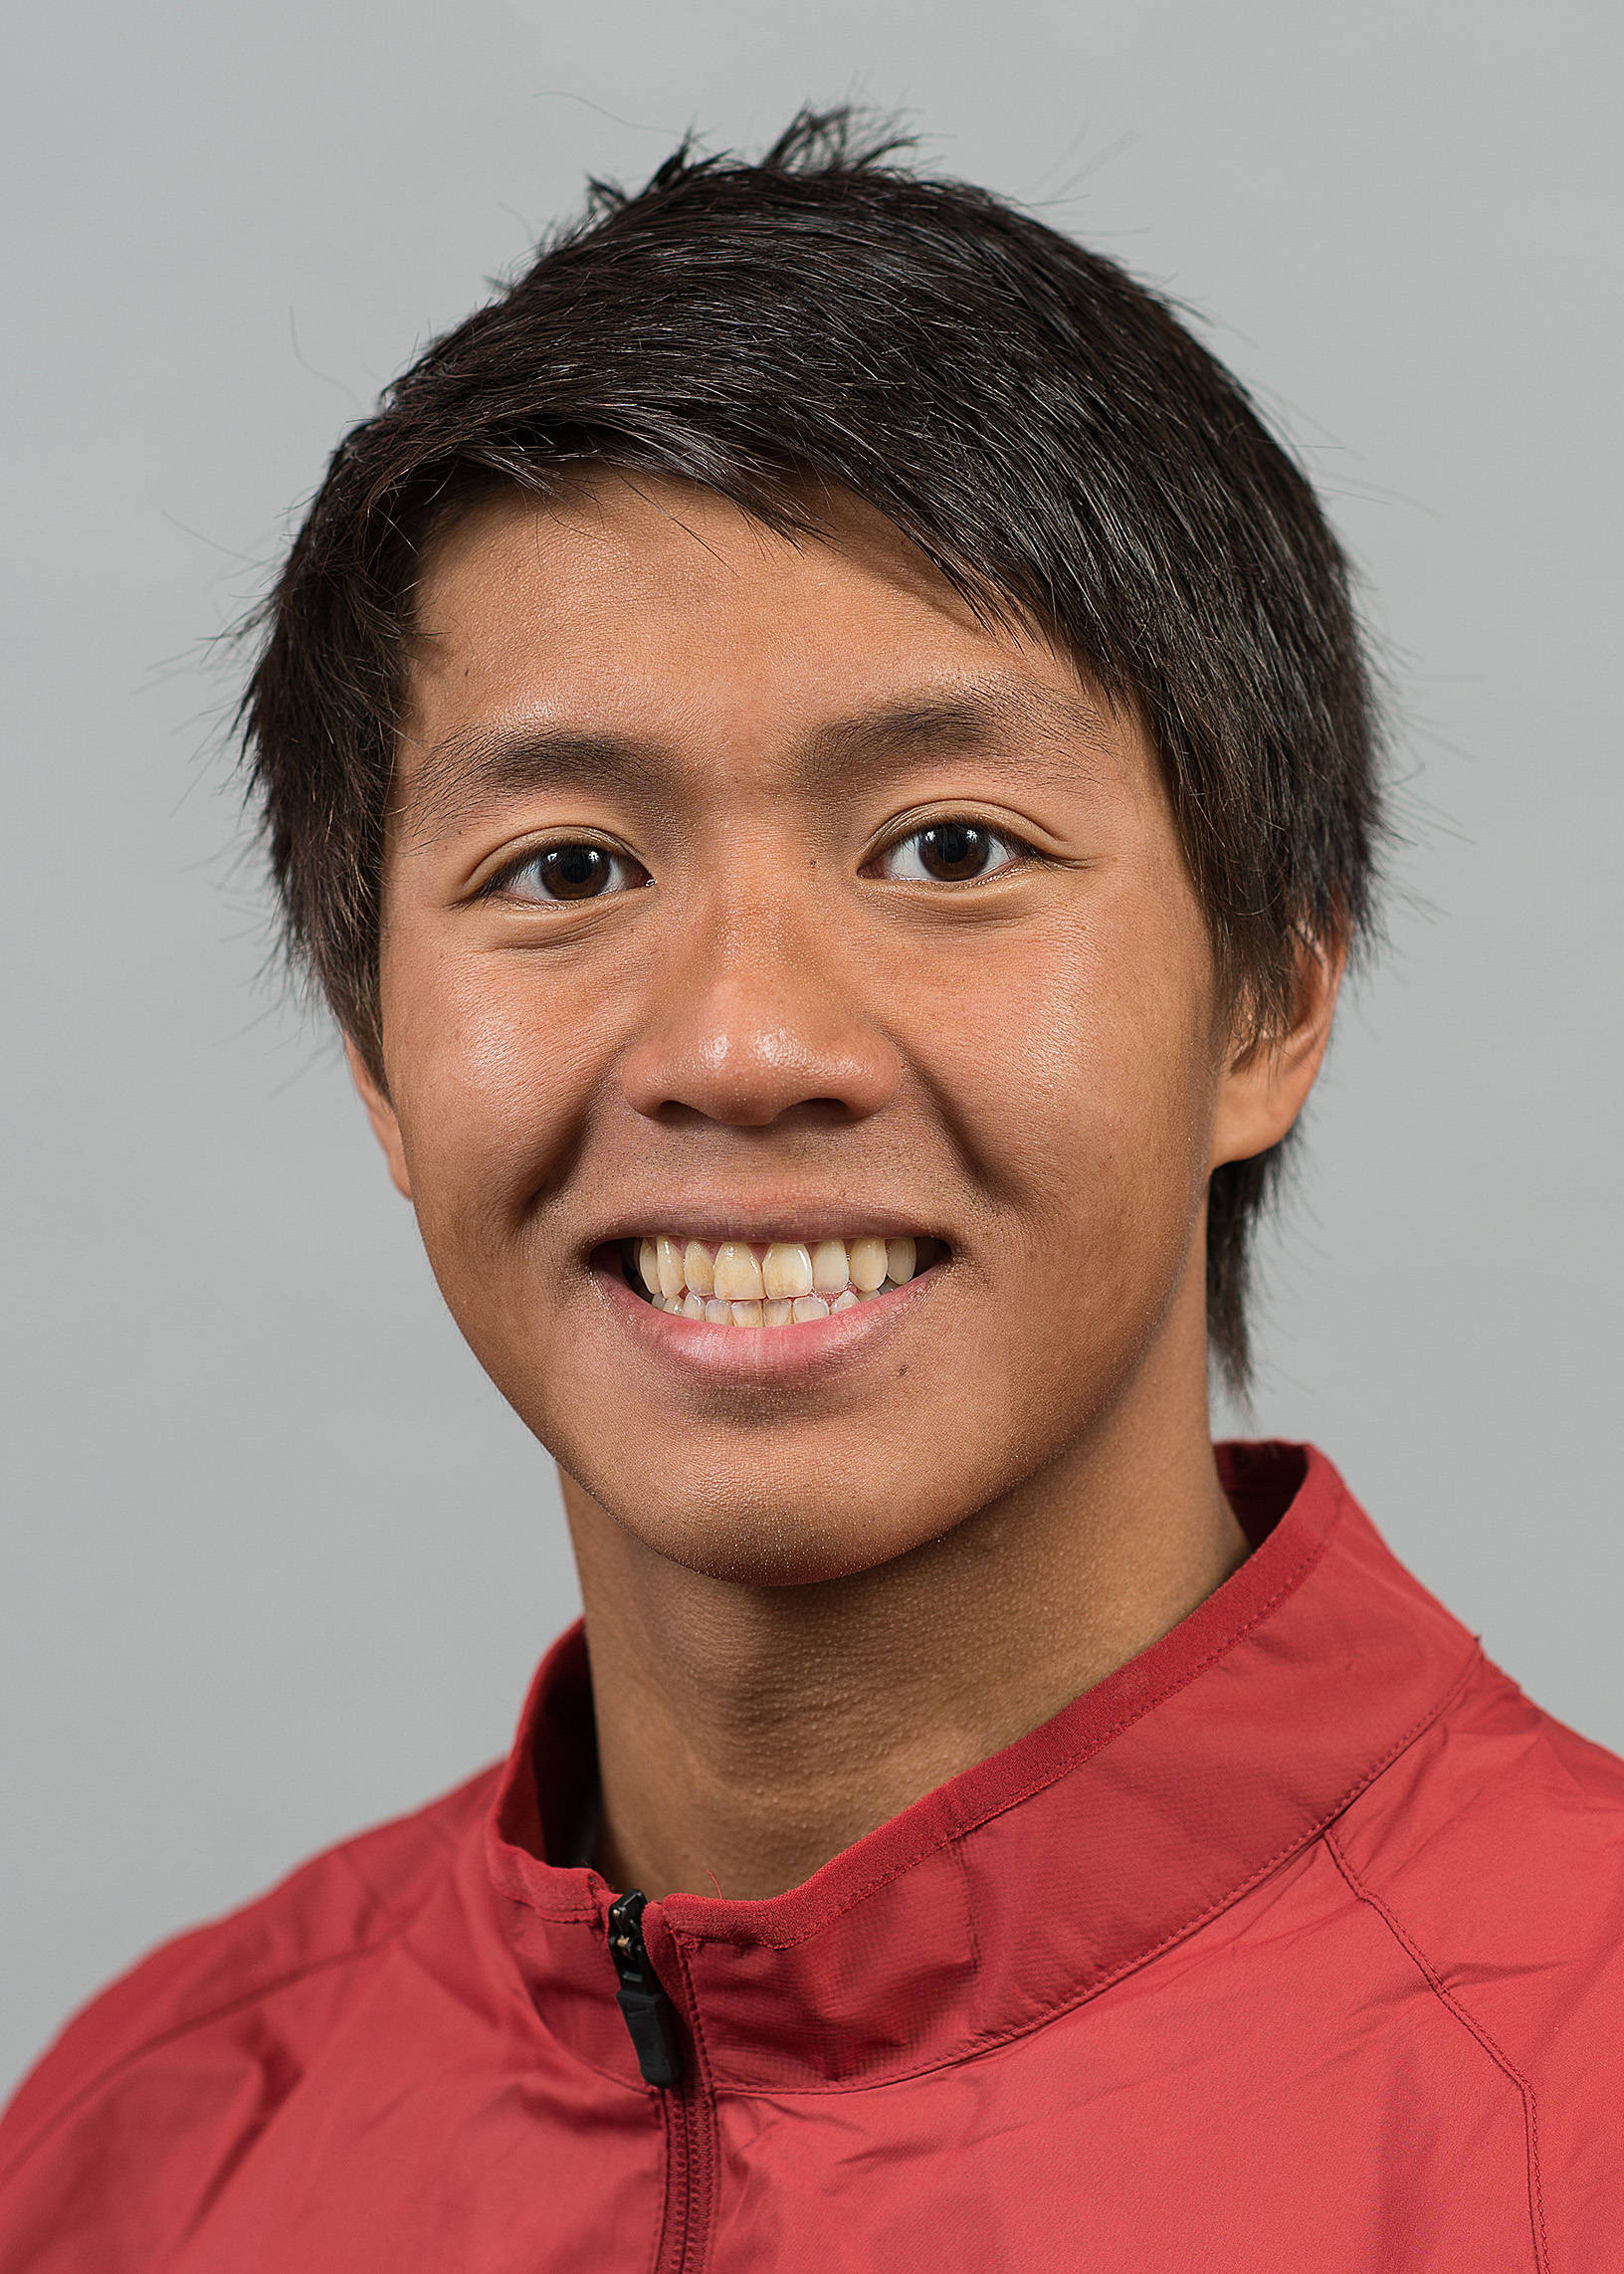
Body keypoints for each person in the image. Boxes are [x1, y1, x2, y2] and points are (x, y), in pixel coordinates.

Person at [1, 106, 1618, 2273]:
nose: (745, 1048)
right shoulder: (141, 2151)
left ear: (1269, 1001)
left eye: (951, 849)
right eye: (565, 871)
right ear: (380, 1056)